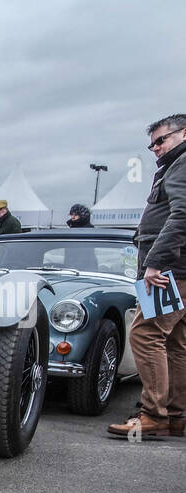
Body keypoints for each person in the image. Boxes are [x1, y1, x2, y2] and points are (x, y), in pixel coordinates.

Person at [108, 113, 186, 439]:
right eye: (152, 143)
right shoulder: (173, 166)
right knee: (176, 343)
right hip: (177, 270)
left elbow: (182, 214)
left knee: (145, 335)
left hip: (168, 272)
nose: (155, 148)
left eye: (161, 140)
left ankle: (154, 414)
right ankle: (175, 415)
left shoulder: (181, 164)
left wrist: (154, 262)